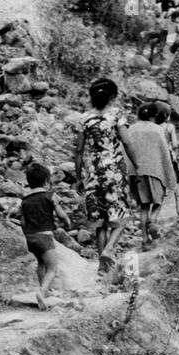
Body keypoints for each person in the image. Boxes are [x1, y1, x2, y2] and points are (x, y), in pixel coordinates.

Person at [74, 78, 137, 276]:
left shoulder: (84, 118)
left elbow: (78, 151)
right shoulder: (117, 115)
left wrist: (78, 177)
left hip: (92, 173)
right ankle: (109, 250)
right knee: (121, 215)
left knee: (99, 221)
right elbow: (126, 141)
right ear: (113, 96)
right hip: (114, 173)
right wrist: (138, 164)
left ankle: (103, 269)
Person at [4, 162, 70, 309]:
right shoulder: (51, 196)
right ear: (47, 181)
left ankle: (43, 293)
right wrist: (67, 221)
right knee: (52, 268)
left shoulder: (24, 200)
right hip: (45, 237)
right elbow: (60, 214)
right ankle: (42, 292)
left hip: (30, 239)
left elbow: (19, 217)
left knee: (41, 264)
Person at [127, 104, 179, 247]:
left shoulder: (131, 129)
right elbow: (164, 153)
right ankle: (153, 219)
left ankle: (145, 240)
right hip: (155, 171)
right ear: (153, 116)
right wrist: (168, 172)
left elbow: (127, 150)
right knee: (158, 201)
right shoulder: (158, 130)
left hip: (136, 172)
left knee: (144, 206)